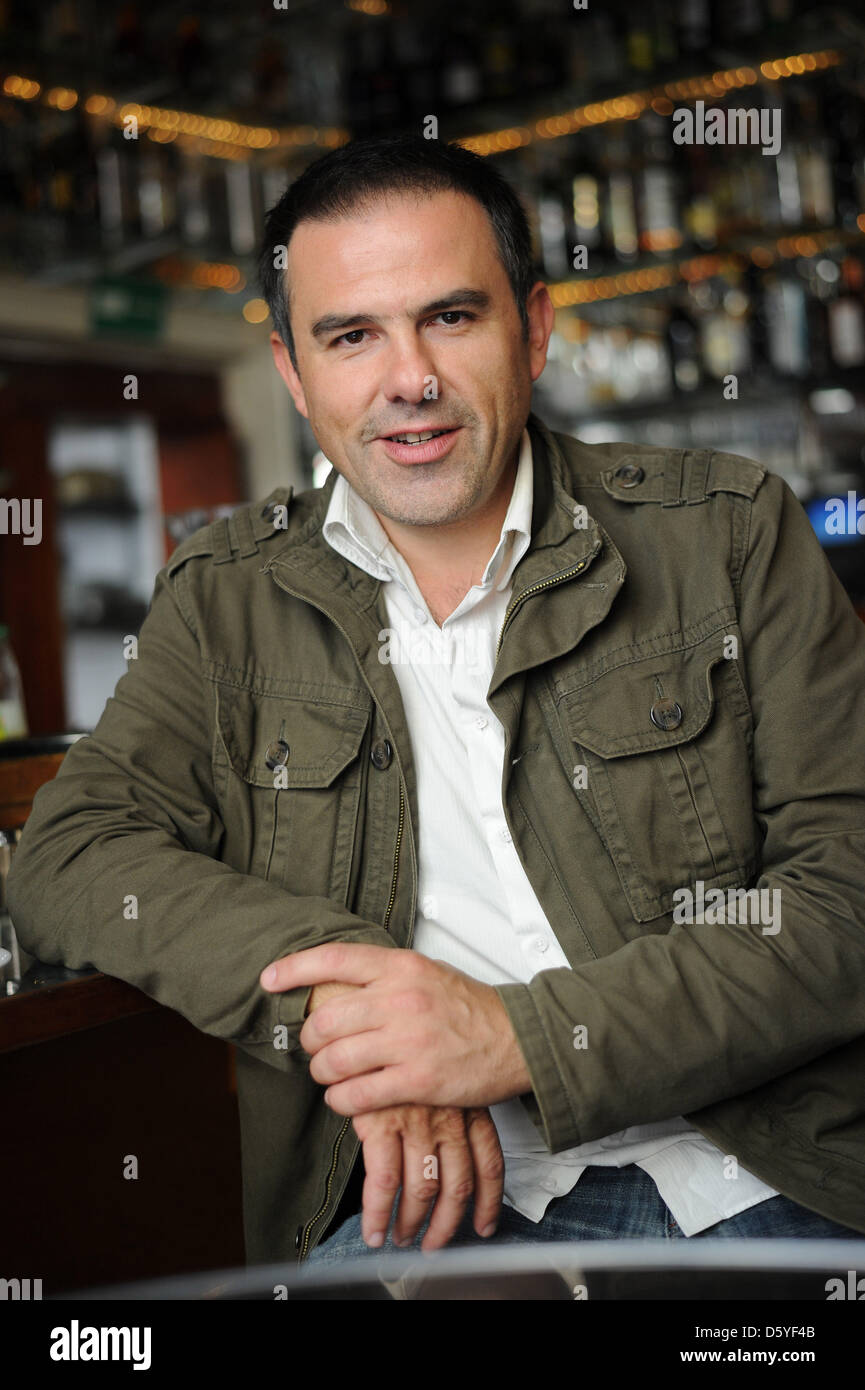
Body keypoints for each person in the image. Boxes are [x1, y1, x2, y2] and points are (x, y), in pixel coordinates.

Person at [9, 135, 865, 1275]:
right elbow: (66, 855)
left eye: (450, 317)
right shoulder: (224, 599)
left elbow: (844, 901)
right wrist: (366, 1021)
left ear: (536, 327)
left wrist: (516, 1039)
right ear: (293, 374)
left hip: (770, 1175)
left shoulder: (726, 532)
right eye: (351, 335)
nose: (406, 376)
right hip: (419, 1209)